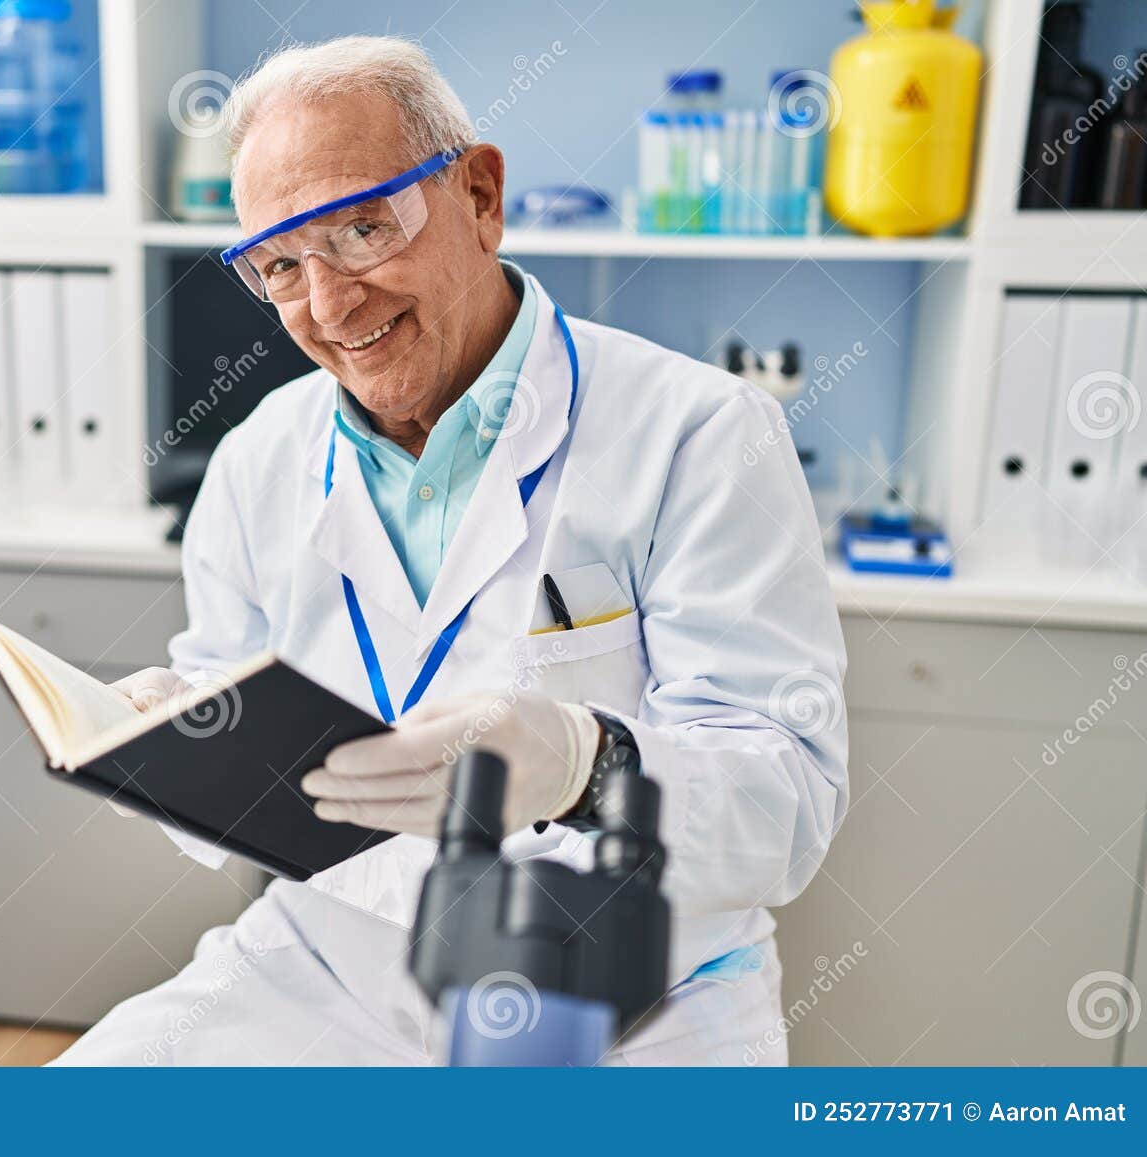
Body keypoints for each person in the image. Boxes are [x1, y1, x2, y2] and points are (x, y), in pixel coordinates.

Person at [54, 35, 847, 1066]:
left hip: (631, 995)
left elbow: (784, 802)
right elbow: (229, 707)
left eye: (362, 228)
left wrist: (583, 763)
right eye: (280, 265)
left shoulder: (698, 432)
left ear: (479, 195)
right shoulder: (258, 458)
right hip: (327, 968)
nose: (329, 306)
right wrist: (177, 746)